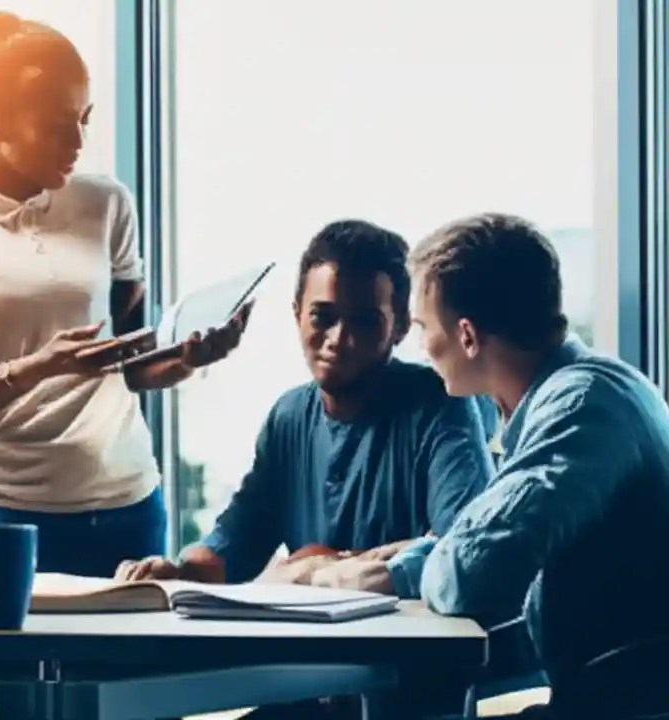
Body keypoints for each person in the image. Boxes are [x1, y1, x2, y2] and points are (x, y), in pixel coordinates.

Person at [0, 11, 243, 578]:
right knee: (18, 671)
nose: (78, 141)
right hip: (7, 517)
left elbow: (127, 364)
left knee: (126, 669)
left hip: (131, 506)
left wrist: (186, 358)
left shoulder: (107, 204)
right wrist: (35, 368)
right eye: (56, 124)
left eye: (85, 118)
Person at [116, 220, 492, 590]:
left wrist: (313, 566)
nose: (338, 339)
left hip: (409, 645)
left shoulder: (439, 404)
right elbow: (236, 542)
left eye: (365, 322)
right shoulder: (290, 416)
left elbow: (465, 552)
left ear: (399, 329)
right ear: (297, 313)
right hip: (312, 643)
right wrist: (173, 572)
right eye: (322, 317)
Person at [396, 212, 669, 718]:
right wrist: (407, 565)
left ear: (468, 335)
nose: (420, 347)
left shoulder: (581, 407)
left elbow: (470, 577)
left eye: (421, 327)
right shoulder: (585, 394)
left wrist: (407, 570)